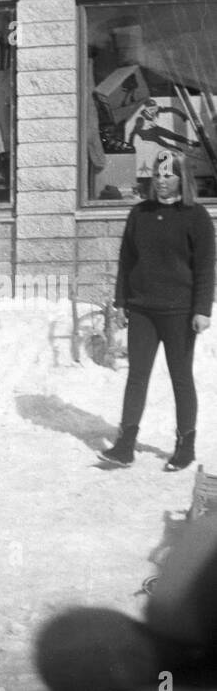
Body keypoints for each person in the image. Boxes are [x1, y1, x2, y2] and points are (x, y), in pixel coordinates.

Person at [101, 150, 214, 471]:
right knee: (136, 377)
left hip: (179, 312)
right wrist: (121, 302)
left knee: (181, 377)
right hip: (142, 310)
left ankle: (185, 445)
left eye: (168, 175)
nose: (161, 181)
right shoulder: (140, 213)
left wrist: (202, 309)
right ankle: (125, 444)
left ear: (182, 179)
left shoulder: (196, 216)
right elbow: (126, 260)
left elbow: (206, 267)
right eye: (157, 175)